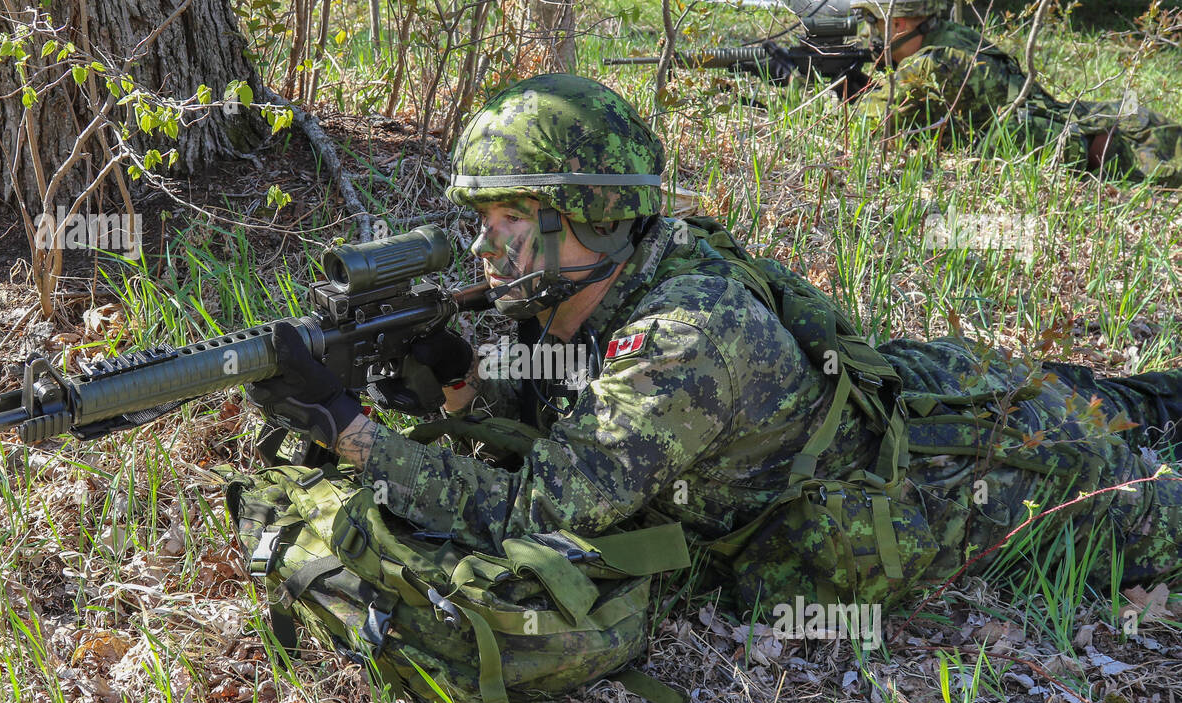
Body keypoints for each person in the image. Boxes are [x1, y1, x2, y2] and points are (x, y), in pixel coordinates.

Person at [247, 73, 1182, 611]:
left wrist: (353, 433)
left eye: (512, 217)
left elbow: (539, 509)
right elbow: (566, 403)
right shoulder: (597, 280)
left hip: (984, 477)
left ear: (594, 216)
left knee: (1135, 470)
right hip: (935, 386)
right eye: (484, 218)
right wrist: (460, 386)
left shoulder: (685, 339)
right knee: (1129, 394)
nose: (490, 246)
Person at [850, 0, 1182, 187]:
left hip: (1061, 143)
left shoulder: (927, 65)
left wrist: (849, 90)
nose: (868, 33)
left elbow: (867, 130)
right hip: (1051, 113)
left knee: (1138, 156)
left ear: (898, 26)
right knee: (1142, 122)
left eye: (871, 21)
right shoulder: (955, 35)